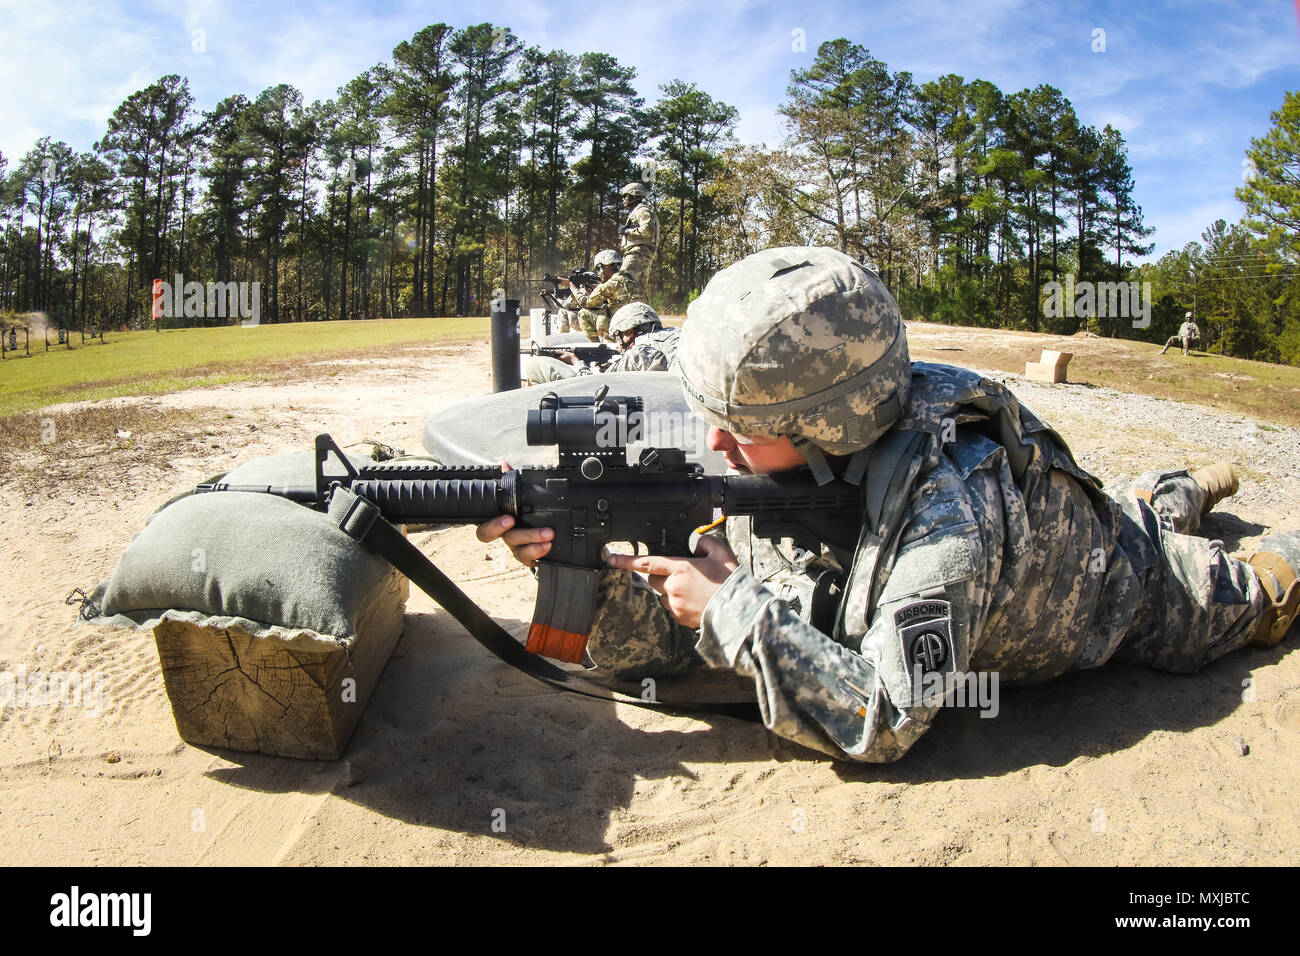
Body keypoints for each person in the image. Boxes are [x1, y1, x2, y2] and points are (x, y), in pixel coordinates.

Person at [478, 247, 1300, 763]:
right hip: (1073, 520)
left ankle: (1214, 529)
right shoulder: (815, 452)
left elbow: (883, 717)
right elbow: (670, 652)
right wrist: (598, 576)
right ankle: (1189, 483)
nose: (715, 447)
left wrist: (730, 605)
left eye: (740, 431)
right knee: (1145, 499)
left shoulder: (951, 516)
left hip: (1120, 587)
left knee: (1240, 583)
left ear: (821, 427)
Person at [521, 302, 679, 385]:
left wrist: (577, 363)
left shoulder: (640, 352)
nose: (618, 346)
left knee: (534, 365)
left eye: (618, 337)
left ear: (629, 332)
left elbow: (594, 386)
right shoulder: (677, 333)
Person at [558, 249, 638, 342]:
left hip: (622, 325)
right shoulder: (631, 280)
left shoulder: (609, 285)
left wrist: (571, 286)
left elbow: (585, 302)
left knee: (583, 314)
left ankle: (600, 347)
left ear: (607, 266)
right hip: (637, 322)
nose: (598, 272)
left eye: (599, 268)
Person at [618, 182, 660, 286]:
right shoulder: (638, 211)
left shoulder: (643, 210)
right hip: (639, 252)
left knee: (622, 281)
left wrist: (627, 231)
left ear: (633, 195)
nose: (624, 200)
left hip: (638, 252)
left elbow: (648, 230)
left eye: (625, 196)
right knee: (640, 288)